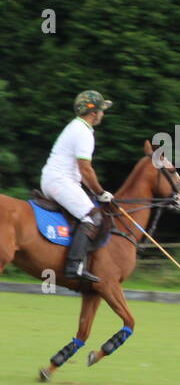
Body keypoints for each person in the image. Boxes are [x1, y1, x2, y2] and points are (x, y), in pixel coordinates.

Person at [40, 90, 115, 284]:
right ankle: (74, 265)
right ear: (93, 113)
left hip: (56, 179)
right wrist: (100, 192)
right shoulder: (83, 132)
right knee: (93, 216)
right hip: (60, 181)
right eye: (101, 110)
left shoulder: (75, 127)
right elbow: (85, 169)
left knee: (84, 212)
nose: (103, 114)